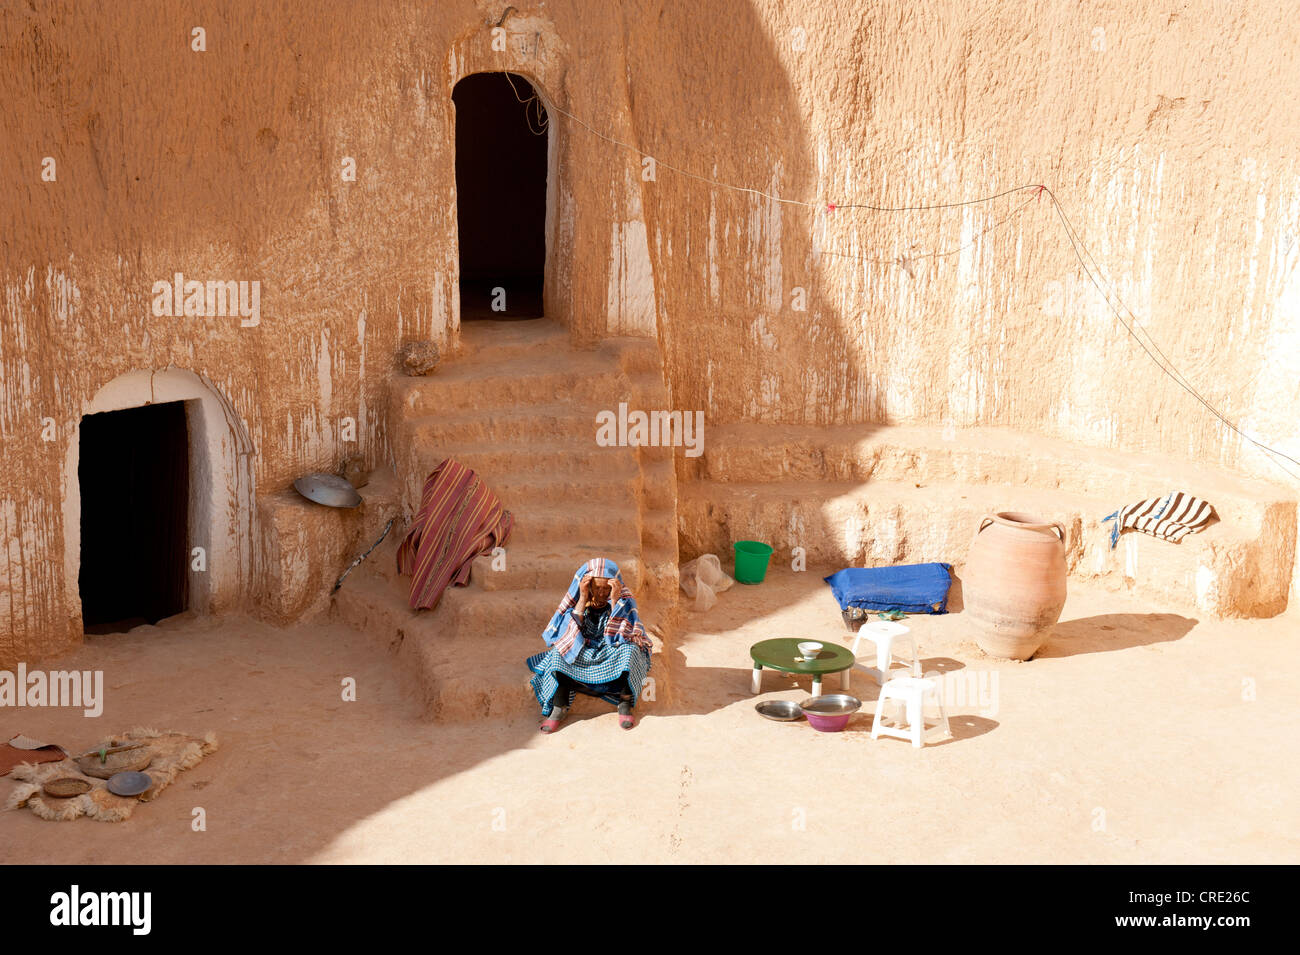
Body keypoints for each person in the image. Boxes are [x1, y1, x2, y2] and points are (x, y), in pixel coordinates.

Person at [526, 557, 652, 733]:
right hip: (584, 649)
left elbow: (623, 635)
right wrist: (583, 596)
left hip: (610, 649)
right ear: (589, 585)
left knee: (630, 651)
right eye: (597, 588)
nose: (601, 593)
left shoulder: (623, 600)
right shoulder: (581, 598)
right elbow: (568, 633)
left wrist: (615, 601)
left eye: (606, 588)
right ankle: (559, 706)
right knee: (558, 653)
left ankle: (624, 702)